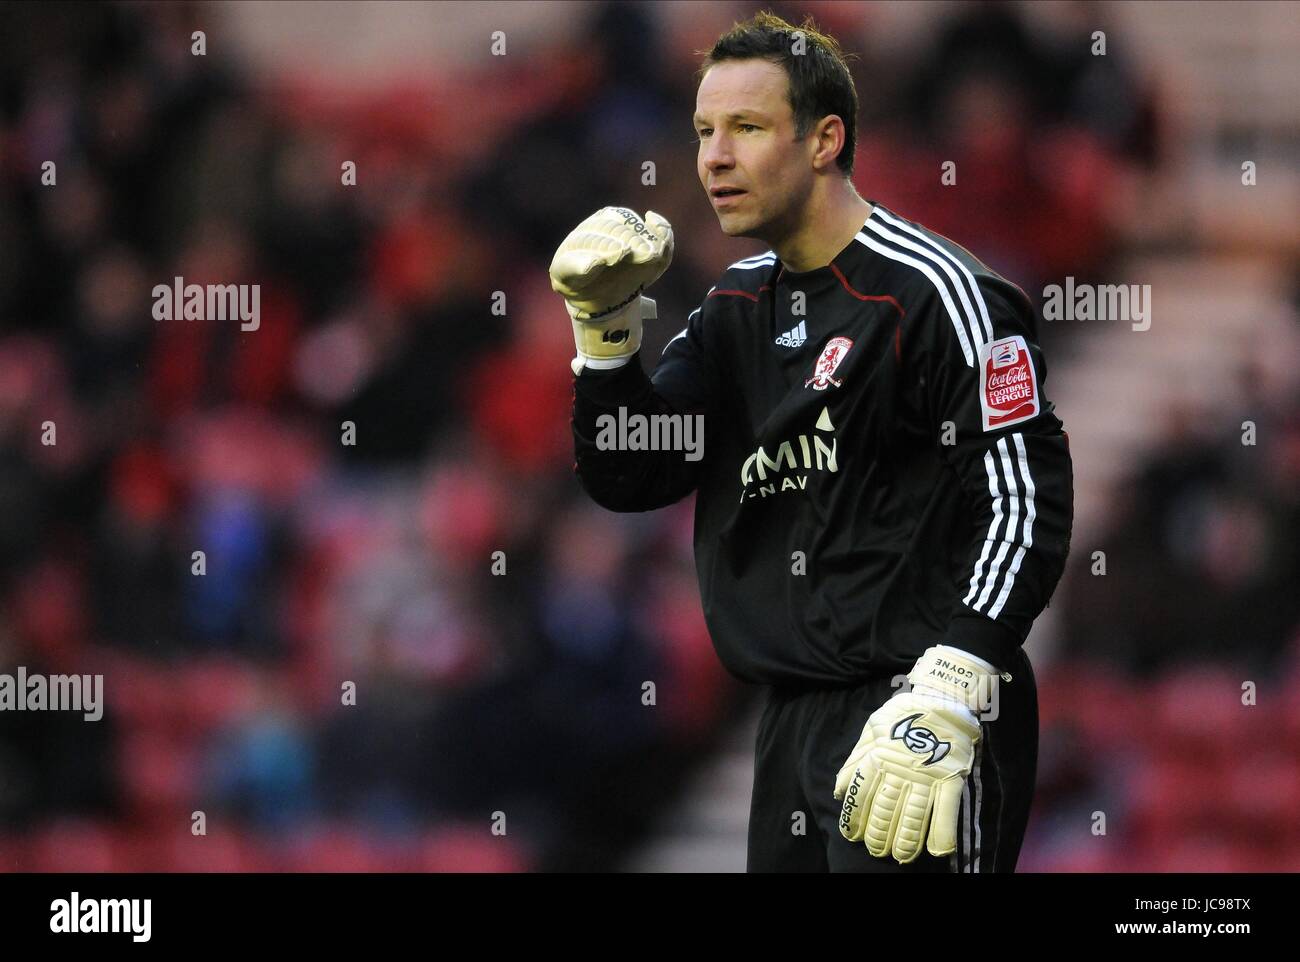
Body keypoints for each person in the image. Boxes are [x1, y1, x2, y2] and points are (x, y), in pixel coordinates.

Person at [549, 12, 1073, 873]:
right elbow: (633, 472)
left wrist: (958, 675)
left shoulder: (939, 294)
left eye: (747, 128)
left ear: (827, 139)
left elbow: (1027, 502)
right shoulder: (733, 309)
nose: (714, 156)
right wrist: (605, 339)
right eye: (704, 132)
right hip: (789, 721)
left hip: (922, 709)